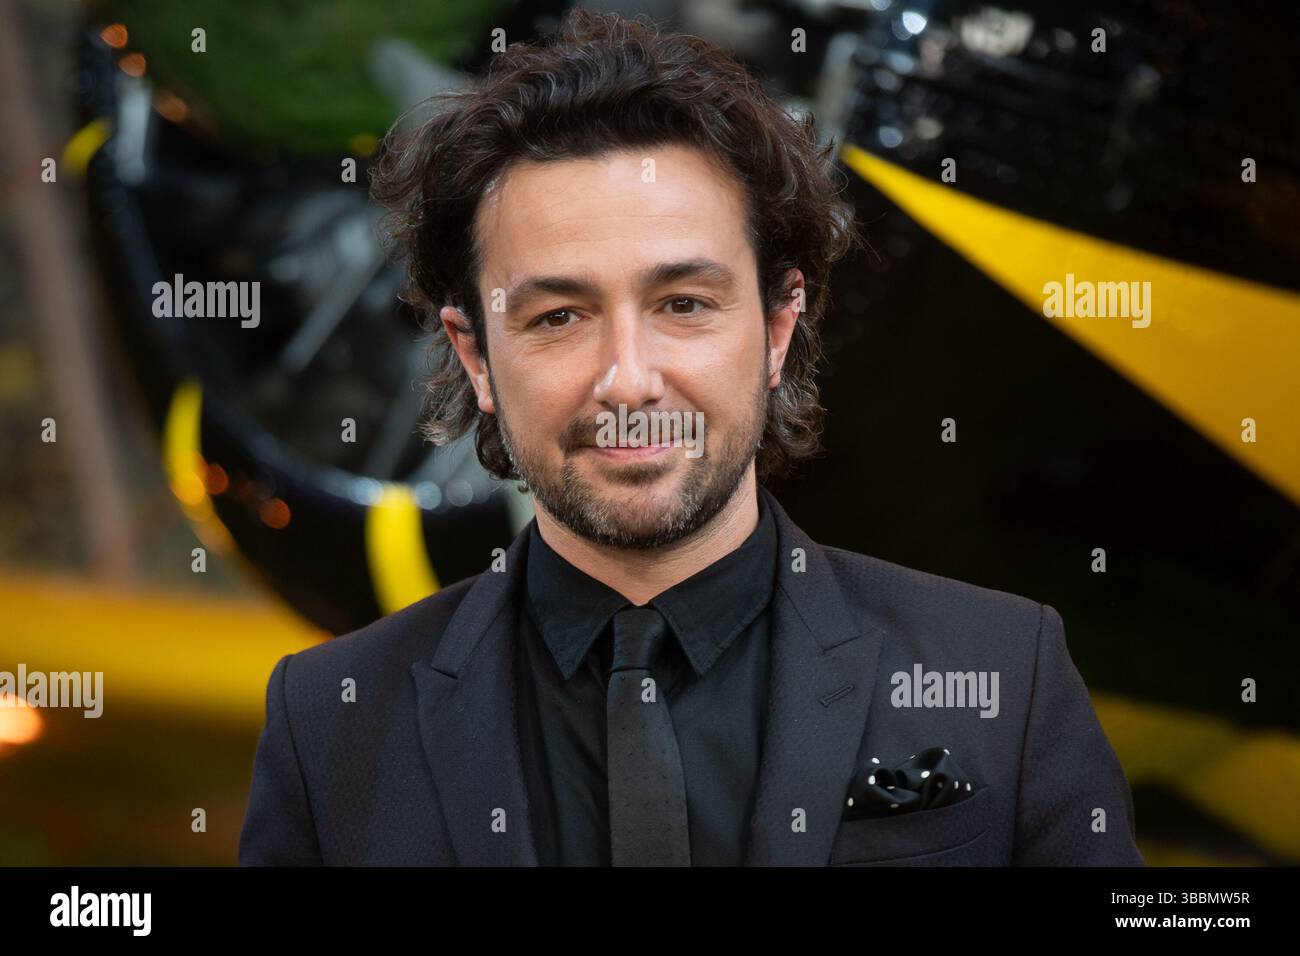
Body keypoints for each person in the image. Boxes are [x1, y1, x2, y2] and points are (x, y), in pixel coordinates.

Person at [238, 9, 1143, 866]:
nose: (627, 377)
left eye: (683, 305)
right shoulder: (328, 725)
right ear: (474, 353)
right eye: (558, 316)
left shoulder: (1004, 677)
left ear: (781, 325)